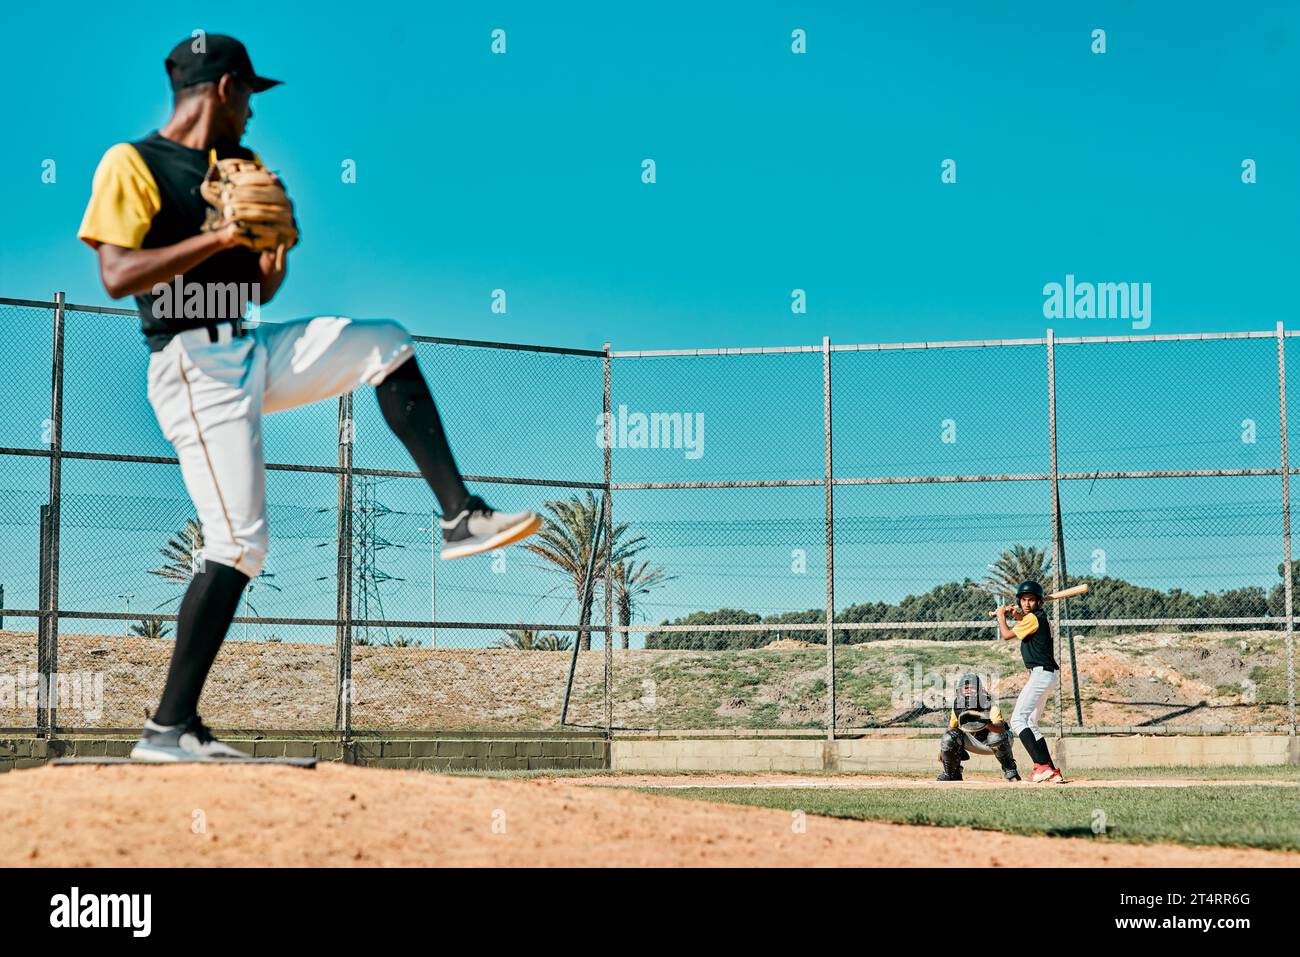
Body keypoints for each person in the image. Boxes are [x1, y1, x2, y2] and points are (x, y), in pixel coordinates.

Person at [78, 35, 540, 761]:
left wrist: (271, 258)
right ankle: (168, 729)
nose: (253, 113)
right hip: (192, 366)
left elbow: (258, 291)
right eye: (250, 95)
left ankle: (461, 516)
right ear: (225, 87)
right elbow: (117, 274)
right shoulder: (133, 164)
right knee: (237, 542)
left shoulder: (241, 168)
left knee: (384, 342)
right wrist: (222, 231)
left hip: (248, 345)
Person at [996, 580, 1066, 784]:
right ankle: (1051, 770)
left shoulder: (1034, 619)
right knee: (1031, 723)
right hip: (1046, 675)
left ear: (1038, 603)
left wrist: (1001, 616)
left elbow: (1007, 635)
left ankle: (1040, 767)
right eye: (1024, 600)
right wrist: (1013, 614)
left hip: (1040, 674)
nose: (1027, 603)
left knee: (1018, 720)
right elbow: (1024, 621)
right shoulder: (1038, 619)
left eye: (1032, 600)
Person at [936, 672, 1021, 782]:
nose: (967, 690)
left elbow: (1000, 728)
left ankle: (1010, 769)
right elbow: (951, 728)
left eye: (971, 687)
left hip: (997, 741)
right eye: (965, 687)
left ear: (979, 689)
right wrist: (943, 749)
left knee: (995, 736)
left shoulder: (988, 703)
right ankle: (952, 773)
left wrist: (986, 724)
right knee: (948, 738)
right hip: (974, 742)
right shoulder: (958, 705)